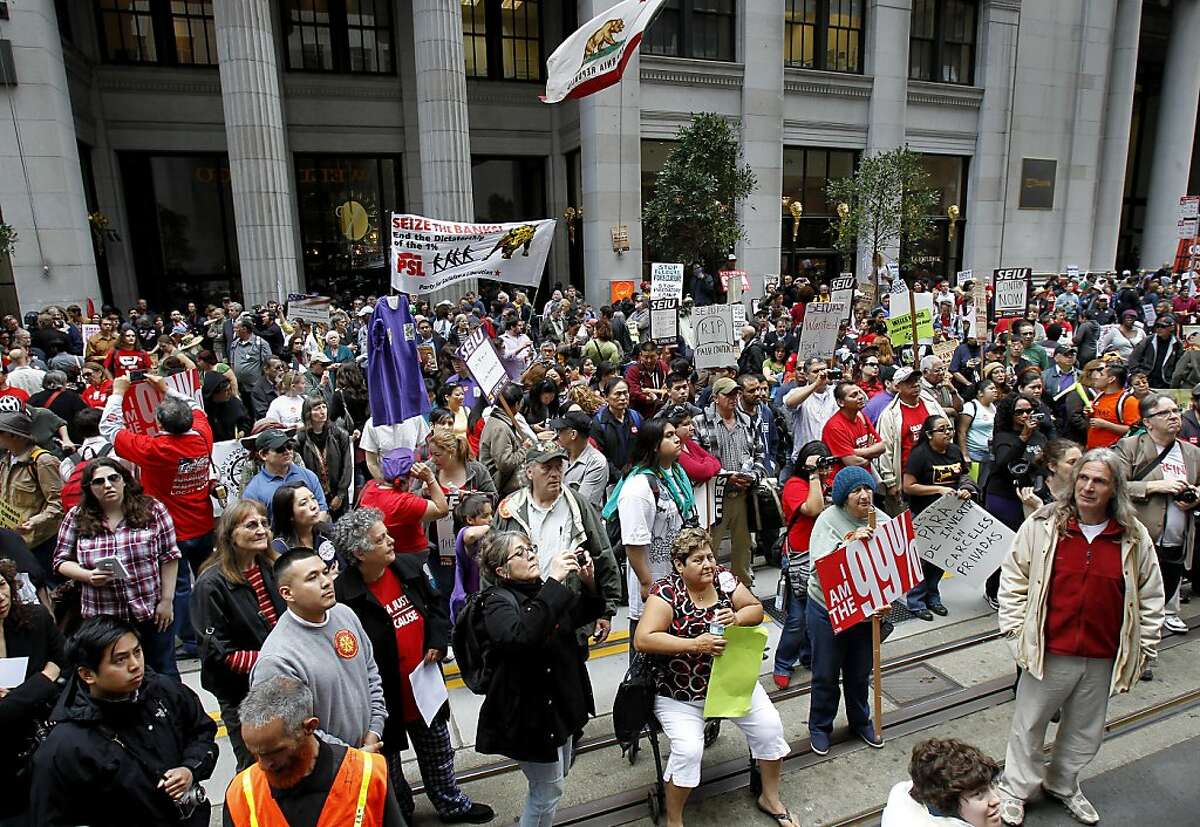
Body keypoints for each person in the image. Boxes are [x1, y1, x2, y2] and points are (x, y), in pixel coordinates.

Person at [996, 448, 1164, 826]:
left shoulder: (1132, 535)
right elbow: (1014, 579)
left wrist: (1146, 645)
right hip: (1049, 650)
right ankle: (1016, 788)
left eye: (1099, 481)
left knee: (1085, 728)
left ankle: (1063, 783)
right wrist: (1014, 632)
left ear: (1114, 490)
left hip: (1102, 652)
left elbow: (1150, 593)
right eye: (1084, 478)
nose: (1088, 487)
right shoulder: (1042, 524)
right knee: (1029, 723)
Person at [331, 508, 495, 825]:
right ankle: (399, 811)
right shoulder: (343, 596)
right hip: (382, 702)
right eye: (381, 539)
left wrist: (436, 639)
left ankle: (451, 804)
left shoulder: (409, 567)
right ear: (359, 553)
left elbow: (436, 604)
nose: (391, 541)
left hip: (423, 689)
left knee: (438, 753)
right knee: (387, 767)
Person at [634, 527, 797, 827]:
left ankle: (770, 797)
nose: (708, 564)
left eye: (709, 556)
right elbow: (643, 639)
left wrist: (736, 618)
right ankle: (674, 820)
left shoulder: (723, 579)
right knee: (688, 750)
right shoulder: (666, 592)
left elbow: (755, 609)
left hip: (731, 681)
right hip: (679, 694)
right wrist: (695, 645)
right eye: (698, 559)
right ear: (679, 565)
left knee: (770, 728)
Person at [31, 616, 219, 827]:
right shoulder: (66, 744)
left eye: (137, 652)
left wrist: (190, 769)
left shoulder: (164, 691)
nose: (135, 665)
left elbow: (202, 732)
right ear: (87, 674)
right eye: (120, 660)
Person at [475, 530, 605, 827]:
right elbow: (520, 638)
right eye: (519, 553)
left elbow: (583, 612)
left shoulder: (540, 591)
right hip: (530, 716)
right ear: (501, 570)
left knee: (555, 781)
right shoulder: (496, 602)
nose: (531, 554)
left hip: (559, 707)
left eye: (530, 548)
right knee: (548, 791)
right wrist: (555, 582)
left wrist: (588, 582)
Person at [100, 372, 215, 654]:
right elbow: (196, 407)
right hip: (203, 523)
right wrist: (167, 388)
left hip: (170, 531)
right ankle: (212, 631)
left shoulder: (155, 449)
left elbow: (110, 428)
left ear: (159, 424)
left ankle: (190, 641)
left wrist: (118, 392)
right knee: (208, 580)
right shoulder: (203, 435)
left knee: (179, 589)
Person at [53, 457, 181, 677]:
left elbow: (169, 556)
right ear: (89, 488)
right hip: (104, 618)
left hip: (149, 611)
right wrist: (88, 576)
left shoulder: (153, 510)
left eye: (113, 478)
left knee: (163, 673)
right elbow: (60, 561)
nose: (107, 485)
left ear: (124, 480)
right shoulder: (76, 517)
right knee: (116, 676)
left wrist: (167, 601)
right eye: (99, 482)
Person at [250, 548, 388, 752]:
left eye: (325, 572)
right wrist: (349, 756)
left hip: (369, 754)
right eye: (312, 578)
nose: (326, 581)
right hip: (324, 772)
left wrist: (374, 731)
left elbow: (371, 674)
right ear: (287, 593)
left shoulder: (344, 615)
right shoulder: (277, 659)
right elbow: (291, 729)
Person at [225, 675, 406, 827]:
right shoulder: (240, 794)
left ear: (309, 727)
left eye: (275, 751)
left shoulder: (367, 774)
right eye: (256, 753)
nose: (264, 765)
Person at [190, 501, 285, 771]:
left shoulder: (272, 567)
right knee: (256, 768)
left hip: (284, 684)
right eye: (251, 525)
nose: (261, 531)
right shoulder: (211, 584)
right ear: (230, 533)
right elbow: (218, 653)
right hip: (242, 694)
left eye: (264, 525)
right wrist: (273, 661)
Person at [492, 444, 620, 642]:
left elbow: (602, 553)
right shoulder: (510, 508)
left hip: (569, 614)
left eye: (558, 467)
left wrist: (606, 611)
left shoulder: (577, 505)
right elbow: (491, 562)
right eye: (546, 468)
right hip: (522, 612)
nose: (555, 474)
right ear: (529, 471)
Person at [806, 466, 888, 754]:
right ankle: (819, 726)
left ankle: (860, 721)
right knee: (825, 673)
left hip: (865, 615)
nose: (864, 495)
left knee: (859, 673)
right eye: (856, 490)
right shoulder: (827, 520)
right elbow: (820, 566)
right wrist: (849, 543)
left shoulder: (882, 520)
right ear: (843, 496)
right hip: (827, 609)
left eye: (867, 488)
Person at [1114, 392, 1200, 659]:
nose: (1174, 417)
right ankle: (1128, 652)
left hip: (1176, 542)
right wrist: (1152, 486)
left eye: (1176, 411)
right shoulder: (1129, 447)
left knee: (1157, 603)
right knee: (1131, 600)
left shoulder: (1192, 453)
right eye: (1166, 413)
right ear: (1148, 421)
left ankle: (1144, 650)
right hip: (1138, 541)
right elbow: (1114, 486)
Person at [612, 419, 692, 647]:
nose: (677, 438)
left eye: (675, 434)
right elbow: (634, 543)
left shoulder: (675, 475)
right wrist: (647, 583)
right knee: (648, 661)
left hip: (678, 584)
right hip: (654, 587)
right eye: (668, 436)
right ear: (654, 445)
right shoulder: (638, 487)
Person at [0, 557, 64, 823]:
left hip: (38, 730)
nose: (0, 596)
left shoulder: (36, 619)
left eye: (2, 586)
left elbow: (64, 662)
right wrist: (44, 680)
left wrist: (22, 696)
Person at [692, 376, 765, 587]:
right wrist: (725, 476)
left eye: (736, 394)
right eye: (728, 394)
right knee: (709, 547)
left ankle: (743, 587)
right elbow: (698, 460)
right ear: (716, 398)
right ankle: (710, 587)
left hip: (743, 496)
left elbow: (760, 455)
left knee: (743, 547)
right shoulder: (700, 422)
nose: (734, 398)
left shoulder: (747, 421)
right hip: (714, 496)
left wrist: (753, 477)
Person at [773, 441, 835, 689]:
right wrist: (813, 475)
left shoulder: (827, 481)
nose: (825, 470)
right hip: (800, 556)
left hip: (824, 553)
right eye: (820, 466)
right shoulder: (795, 485)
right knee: (797, 618)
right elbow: (814, 508)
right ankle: (783, 664)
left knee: (818, 613)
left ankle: (809, 657)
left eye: (826, 465)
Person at [903, 415, 976, 619]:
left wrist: (965, 488)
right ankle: (916, 602)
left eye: (949, 429)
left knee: (939, 559)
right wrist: (937, 489)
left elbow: (963, 475)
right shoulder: (919, 455)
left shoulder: (954, 451)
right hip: (924, 514)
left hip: (949, 515)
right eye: (942, 430)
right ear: (929, 434)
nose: (947, 433)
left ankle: (933, 597)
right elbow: (908, 486)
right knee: (920, 560)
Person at [881, 738, 1002, 827]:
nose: (995, 800)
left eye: (992, 784)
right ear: (948, 804)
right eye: (978, 795)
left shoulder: (903, 791)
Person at [876, 367, 947, 516]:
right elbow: (886, 450)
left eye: (916, 381)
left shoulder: (931, 405)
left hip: (937, 474)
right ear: (897, 387)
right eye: (908, 382)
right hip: (908, 480)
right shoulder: (890, 415)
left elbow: (947, 432)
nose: (915, 384)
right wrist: (890, 482)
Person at [0, 409, 64, 569]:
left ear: (14, 435)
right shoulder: (6, 460)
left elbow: (59, 503)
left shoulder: (42, 461)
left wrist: (35, 522)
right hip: (15, 541)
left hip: (42, 542)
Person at [360, 446, 449, 555]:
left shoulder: (370, 488)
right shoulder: (403, 502)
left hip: (383, 554)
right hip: (409, 556)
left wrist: (420, 492)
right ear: (409, 476)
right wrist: (430, 479)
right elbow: (442, 510)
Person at [242, 428, 329, 520]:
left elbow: (322, 509)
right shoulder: (253, 491)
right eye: (280, 449)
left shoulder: (309, 475)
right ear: (263, 455)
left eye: (289, 446)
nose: (287, 452)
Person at [270, 482, 341, 570]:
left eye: (313, 498)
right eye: (304, 503)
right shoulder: (280, 547)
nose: (314, 506)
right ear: (289, 514)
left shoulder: (329, 531)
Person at [822, 381, 885, 471]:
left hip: (865, 477)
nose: (860, 397)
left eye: (860, 392)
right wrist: (871, 454)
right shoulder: (835, 427)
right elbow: (853, 462)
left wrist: (858, 452)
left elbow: (882, 446)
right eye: (854, 395)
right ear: (841, 402)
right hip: (846, 481)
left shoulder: (862, 417)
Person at [479, 384, 529, 496]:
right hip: (500, 488)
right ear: (517, 404)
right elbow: (504, 463)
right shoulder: (500, 428)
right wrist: (524, 449)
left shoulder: (501, 421)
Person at [592, 376, 643, 485]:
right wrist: (620, 478)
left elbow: (643, 448)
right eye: (618, 394)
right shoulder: (599, 423)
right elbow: (601, 456)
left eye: (625, 393)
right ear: (606, 397)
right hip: (612, 482)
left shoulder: (636, 417)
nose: (623, 397)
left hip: (637, 476)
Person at [556, 409, 608, 514]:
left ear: (573, 434)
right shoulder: (560, 454)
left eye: (561, 430)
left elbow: (583, 506)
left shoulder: (596, 463)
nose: (557, 435)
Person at [1017, 438, 1082, 518]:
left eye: (1081, 461)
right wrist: (1039, 508)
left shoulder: (1083, 492)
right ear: (1052, 466)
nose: (1080, 466)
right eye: (1072, 462)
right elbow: (1033, 529)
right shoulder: (1035, 496)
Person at [1129, 313, 1181, 389]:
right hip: (1146, 379)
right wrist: (1137, 373)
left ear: (1171, 328)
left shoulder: (1177, 344)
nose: (1159, 329)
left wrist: (1173, 378)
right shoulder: (1148, 340)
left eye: (1163, 327)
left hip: (1166, 381)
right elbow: (1134, 358)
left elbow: (1179, 363)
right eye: (1157, 326)